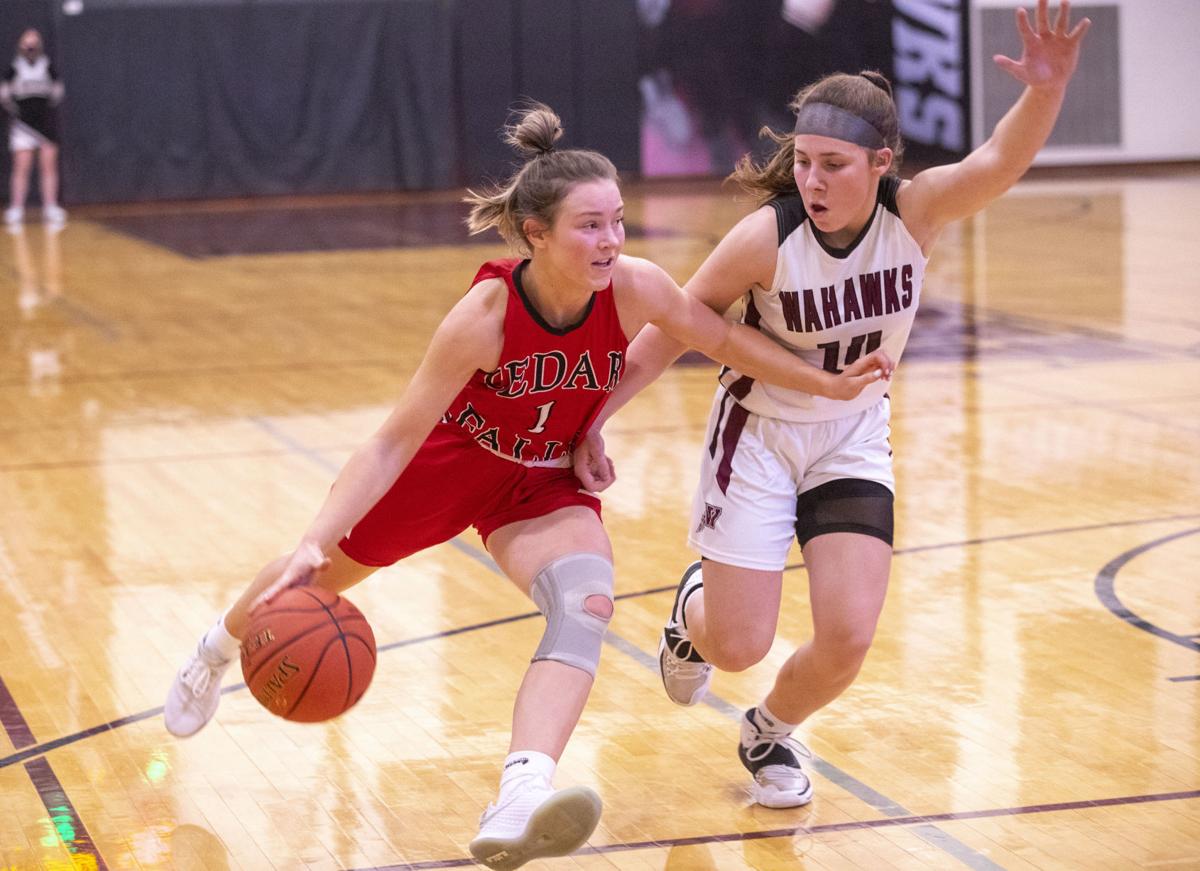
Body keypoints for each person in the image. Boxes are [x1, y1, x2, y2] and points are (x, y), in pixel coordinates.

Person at [162, 102, 887, 869]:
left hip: (541, 483)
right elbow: (391, 440)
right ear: (536, 234)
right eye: (589, 226)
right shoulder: (485, 314)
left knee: (587, 605)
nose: (610, 240)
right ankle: (213, 648)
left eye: (616, 221)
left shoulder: (635, 287)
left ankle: (519, 792)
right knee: (308, 578)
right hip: (446, 469)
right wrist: (316, 531)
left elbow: (718, 337)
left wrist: (826, 384)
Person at [575, 0, 1090, 810]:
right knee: (738, 641)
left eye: (834, 165)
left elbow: (996, 161)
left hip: (851, 435)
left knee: (848, 636)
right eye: (805, 161)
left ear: (881, 163)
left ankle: (769, 729)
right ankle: (691, 612)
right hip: (761, 435)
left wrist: (1047, 91)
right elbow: (675, 327)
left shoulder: (914, 212)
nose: (812, 179)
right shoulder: (764, 239)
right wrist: (592, 417)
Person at [1, 28, 66, 230]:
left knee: (48, 166)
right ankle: (17, 208)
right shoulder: (14, 68)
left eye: (34, 44)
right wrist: (16, 110)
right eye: (26, 44)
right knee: (22, 166)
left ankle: (50, 207)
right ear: (20, 45)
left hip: (44, 122)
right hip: (22, 123)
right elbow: (4, 94)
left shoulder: (47, 66)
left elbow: (57, 91)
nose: (30, 48)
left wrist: (45, 108)